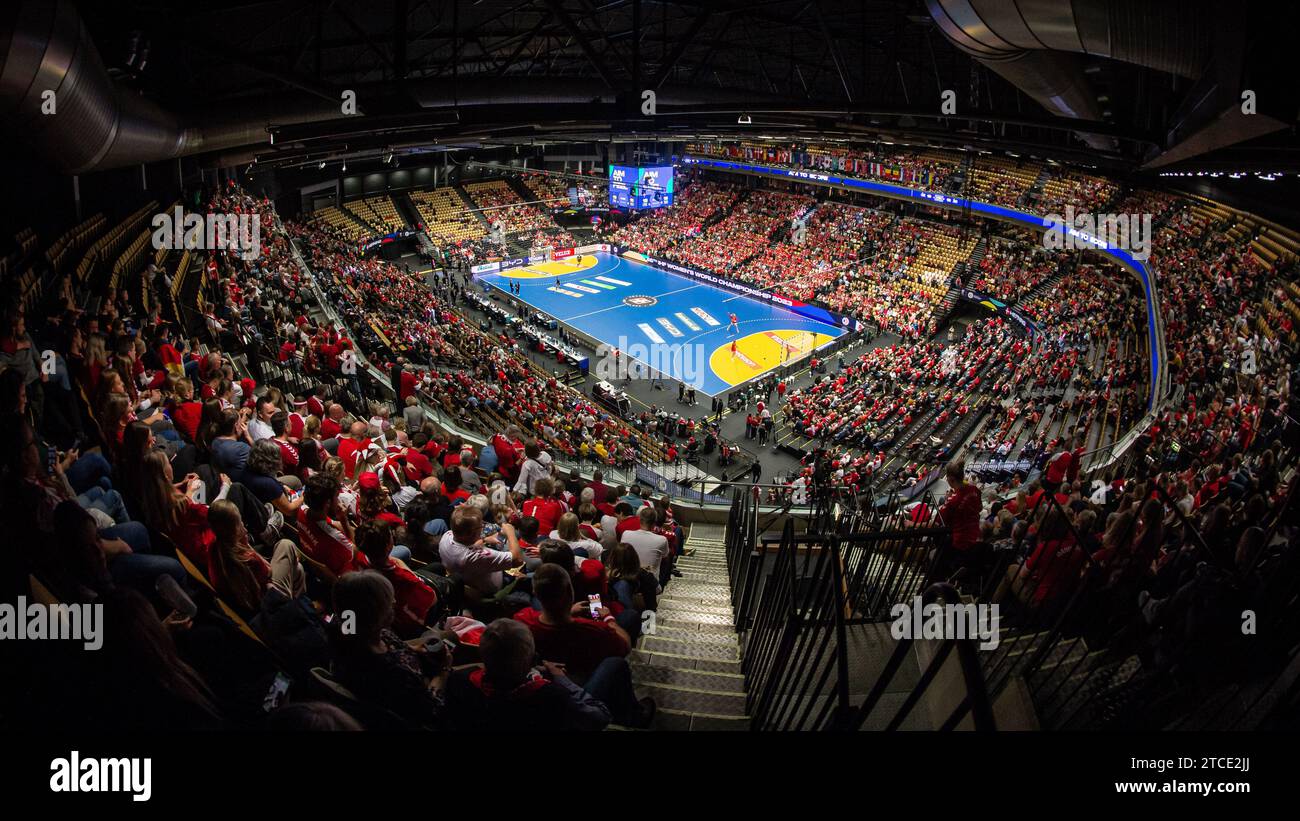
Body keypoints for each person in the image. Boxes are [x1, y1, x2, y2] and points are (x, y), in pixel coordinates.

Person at [512, 564, 654, 727]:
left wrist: (568, 612)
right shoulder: (595, 629)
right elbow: (625, 645)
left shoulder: (521, 621)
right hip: (576, 695)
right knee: (618, 656)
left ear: (536, 594)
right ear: (570, 592)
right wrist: (608, 618)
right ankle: (634, 716)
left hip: (548, 686)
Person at [444, 618, 613, 731]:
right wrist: (562, 679)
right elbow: (601, 717)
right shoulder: (552, 696)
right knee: (613, 664)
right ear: (532, 660)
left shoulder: (459, 680)